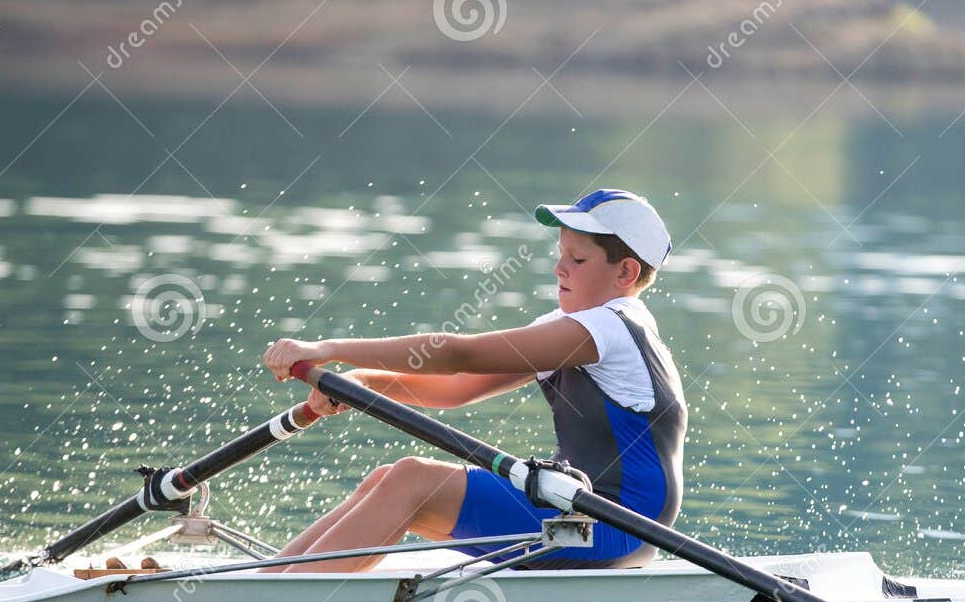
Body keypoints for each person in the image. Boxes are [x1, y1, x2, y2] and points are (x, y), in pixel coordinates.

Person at [261, 189, 686, 573]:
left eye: (577, 260)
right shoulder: (575, 327)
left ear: (626, 273)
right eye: (560, 254)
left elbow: (456, 354)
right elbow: (457, 388)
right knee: (386, 479)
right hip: (580, 514)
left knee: (411, 480)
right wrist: (364, 382)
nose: (559, 269)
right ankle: (268, 584)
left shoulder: (607, 328)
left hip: (615, 528)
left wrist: (328, 348)